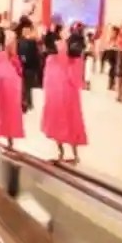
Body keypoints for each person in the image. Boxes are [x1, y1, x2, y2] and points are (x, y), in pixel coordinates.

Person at [41, 33, 87, 163]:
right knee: (71, 122)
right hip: (69, 98)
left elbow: (48, 79)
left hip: (58, 97)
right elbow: (77, 81)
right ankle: (73, 153)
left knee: (61, 122)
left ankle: (63, 152)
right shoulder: (74, 60)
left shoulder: (54, 59)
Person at [16, 20, 42, 112]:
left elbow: (34, 56)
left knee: (26, 86)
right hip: (28, 67)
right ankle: (28, 103)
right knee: (27, 86)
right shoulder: (27, 42)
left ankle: (26, 103)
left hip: (27, 67)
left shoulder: (25, 42)